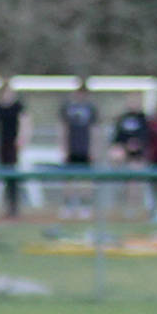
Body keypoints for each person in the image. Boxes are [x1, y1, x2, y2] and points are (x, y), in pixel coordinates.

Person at [59, 78, 98, 220]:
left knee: (86, 180)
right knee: (68, 179)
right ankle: (68, 206)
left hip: (85, 148)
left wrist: (93, 149)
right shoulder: (67, 108)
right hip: (71, 148)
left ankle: (85, 206)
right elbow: (63, 128)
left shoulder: (91, 109)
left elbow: (94, 130)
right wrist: (63, 147)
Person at [0, 75, 27, 219]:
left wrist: (21, 139)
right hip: (2, 144)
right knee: (4, 176)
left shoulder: (18, 106)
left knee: (14, 176)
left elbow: (25, 122)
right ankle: (6, 205)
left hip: (13, 145)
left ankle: (14, 206)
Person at [108, 94, 150, 217]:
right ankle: (119, 206)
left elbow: (146, 137)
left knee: (135, 183)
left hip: (137, 156)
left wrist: (138, 145)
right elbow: (116, 139)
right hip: (123, 156)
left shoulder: (144, 119)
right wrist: (122, 148)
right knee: (123, 183)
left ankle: (133, 208)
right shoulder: (122, 118)